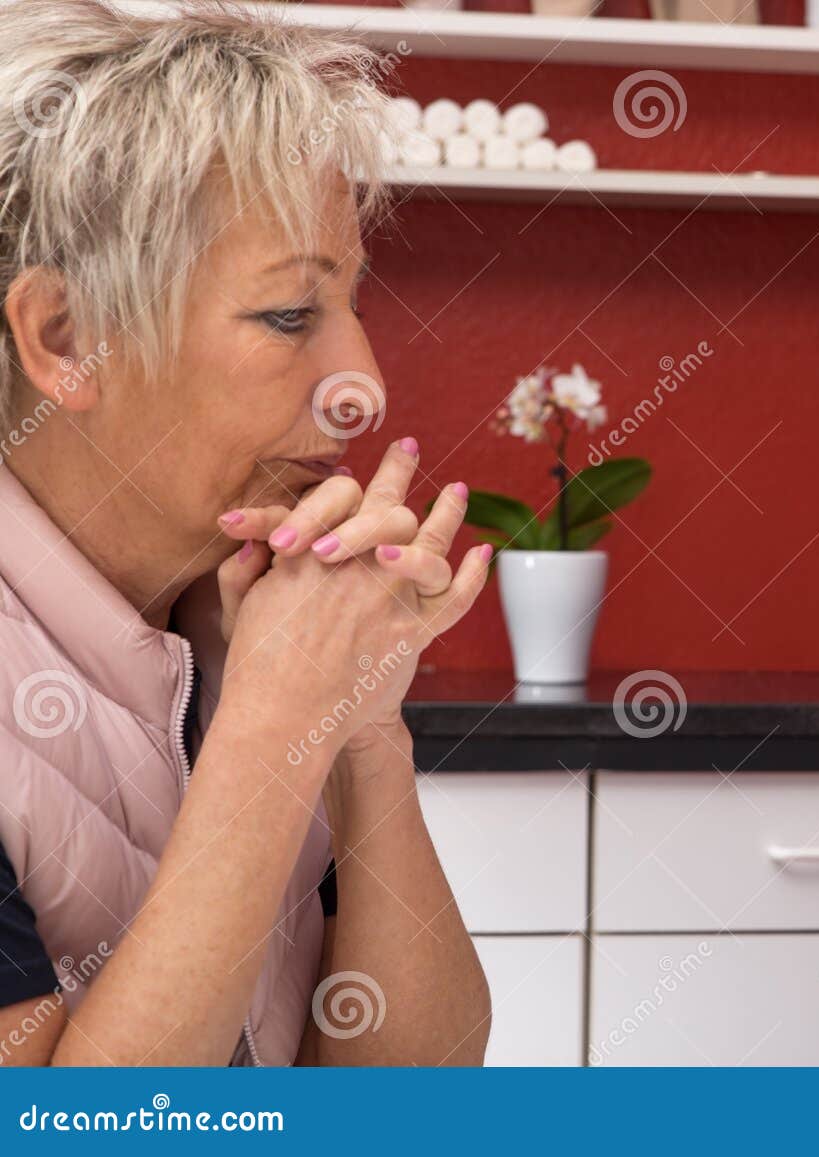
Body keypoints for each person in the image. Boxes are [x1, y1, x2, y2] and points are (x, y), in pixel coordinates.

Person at [0, 0, 493, 1064]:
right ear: (65, 337)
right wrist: (274, 725)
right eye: (287, 315)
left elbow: (410, 1098)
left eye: (354, 303)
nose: (363, 383)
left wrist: (363, 733)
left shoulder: (247, 623)